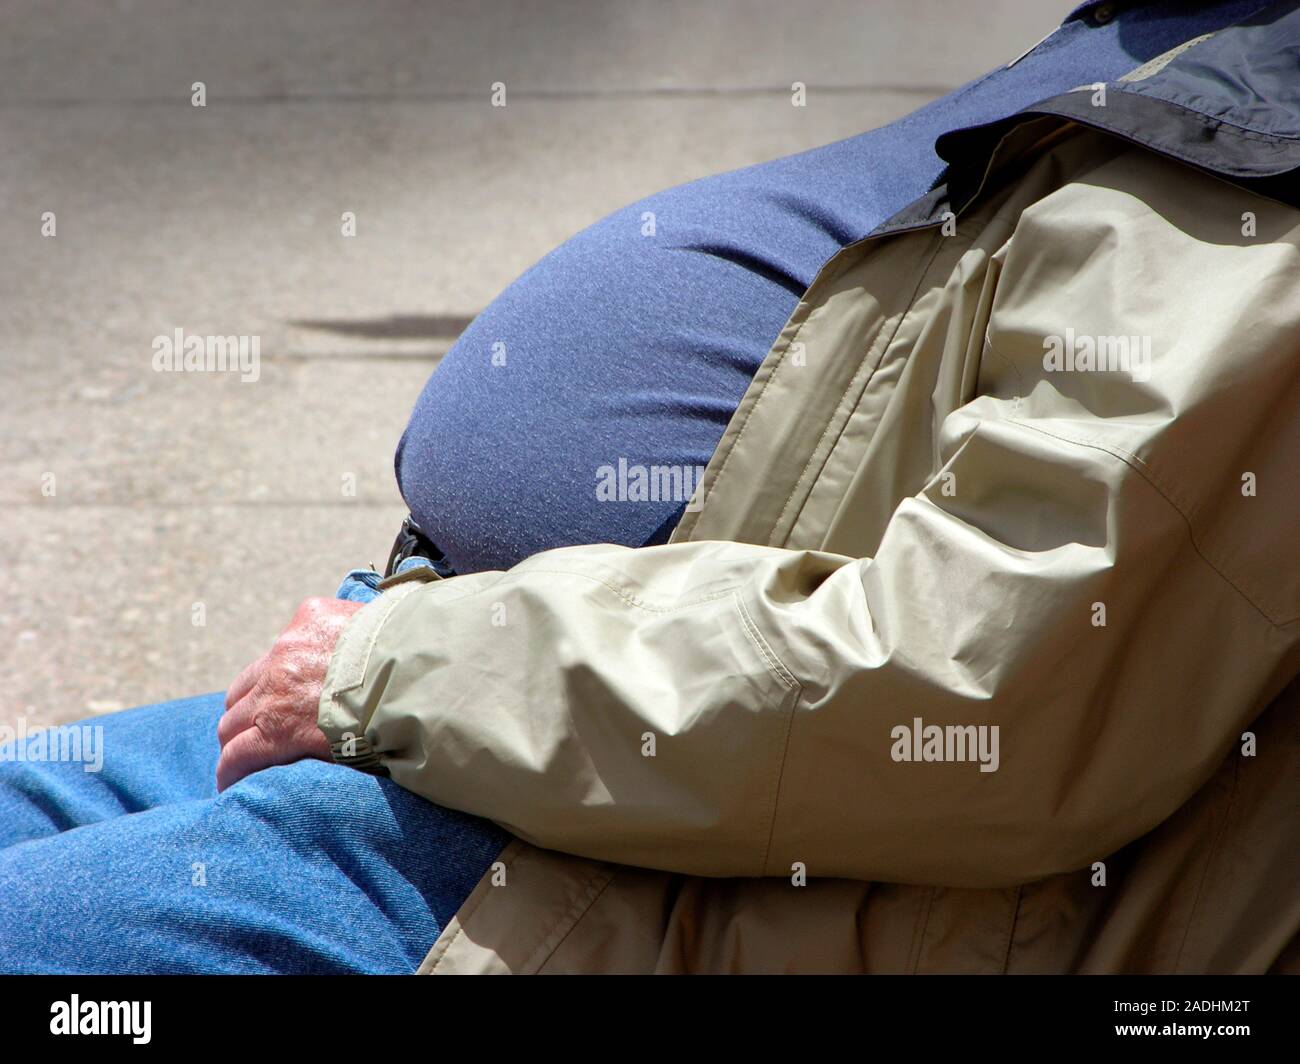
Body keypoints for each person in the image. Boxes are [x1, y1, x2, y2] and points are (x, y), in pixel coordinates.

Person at [2, 0, 1295, 974]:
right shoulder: (1193, 37)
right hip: (492, 712)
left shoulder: (1258, 185)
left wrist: (399, 670)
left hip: (601, 867)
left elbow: (976, 685)